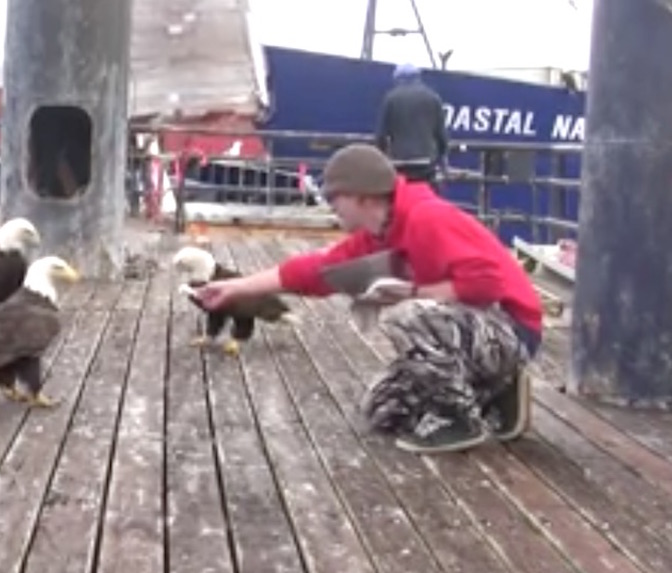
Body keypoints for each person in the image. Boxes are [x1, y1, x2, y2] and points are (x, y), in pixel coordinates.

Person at [193, 144, 543, 454]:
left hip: (512, 330)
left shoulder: (427, 218)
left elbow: (488, 283)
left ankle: (461, 418)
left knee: (406, 314)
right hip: (469, 334)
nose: (332, 207)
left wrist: (415, 294)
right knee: (383, 411)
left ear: (364, 198)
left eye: (335, 198)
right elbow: (316, 271)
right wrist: (235, 287)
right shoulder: (379, 234)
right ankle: (495, 393)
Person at [374, 63, 448, 186]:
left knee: (400, 197)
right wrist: (442, 159)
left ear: (397, 79)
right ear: (418, 77)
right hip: (425, 161)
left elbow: (381, 135)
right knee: (424, 197)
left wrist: (382, 158)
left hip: (399, 161)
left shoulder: (391, 99)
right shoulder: (433, 97)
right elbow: (441, 135)